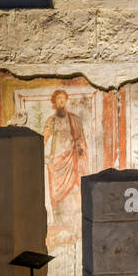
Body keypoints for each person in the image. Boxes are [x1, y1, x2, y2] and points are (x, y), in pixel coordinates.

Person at [43, 89, 89, 226]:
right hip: (56, 161)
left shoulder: (73, 119)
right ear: (54, 102)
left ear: (66, 101)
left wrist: (80, 148)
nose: (61, 101)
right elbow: (44, 138)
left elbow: (80, 138)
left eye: (63, 99)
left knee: (72, 190)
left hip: (71, 159)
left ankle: (73, 221)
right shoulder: (51, 121)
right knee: (55, 192)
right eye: (58, 99)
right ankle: (59, 221)